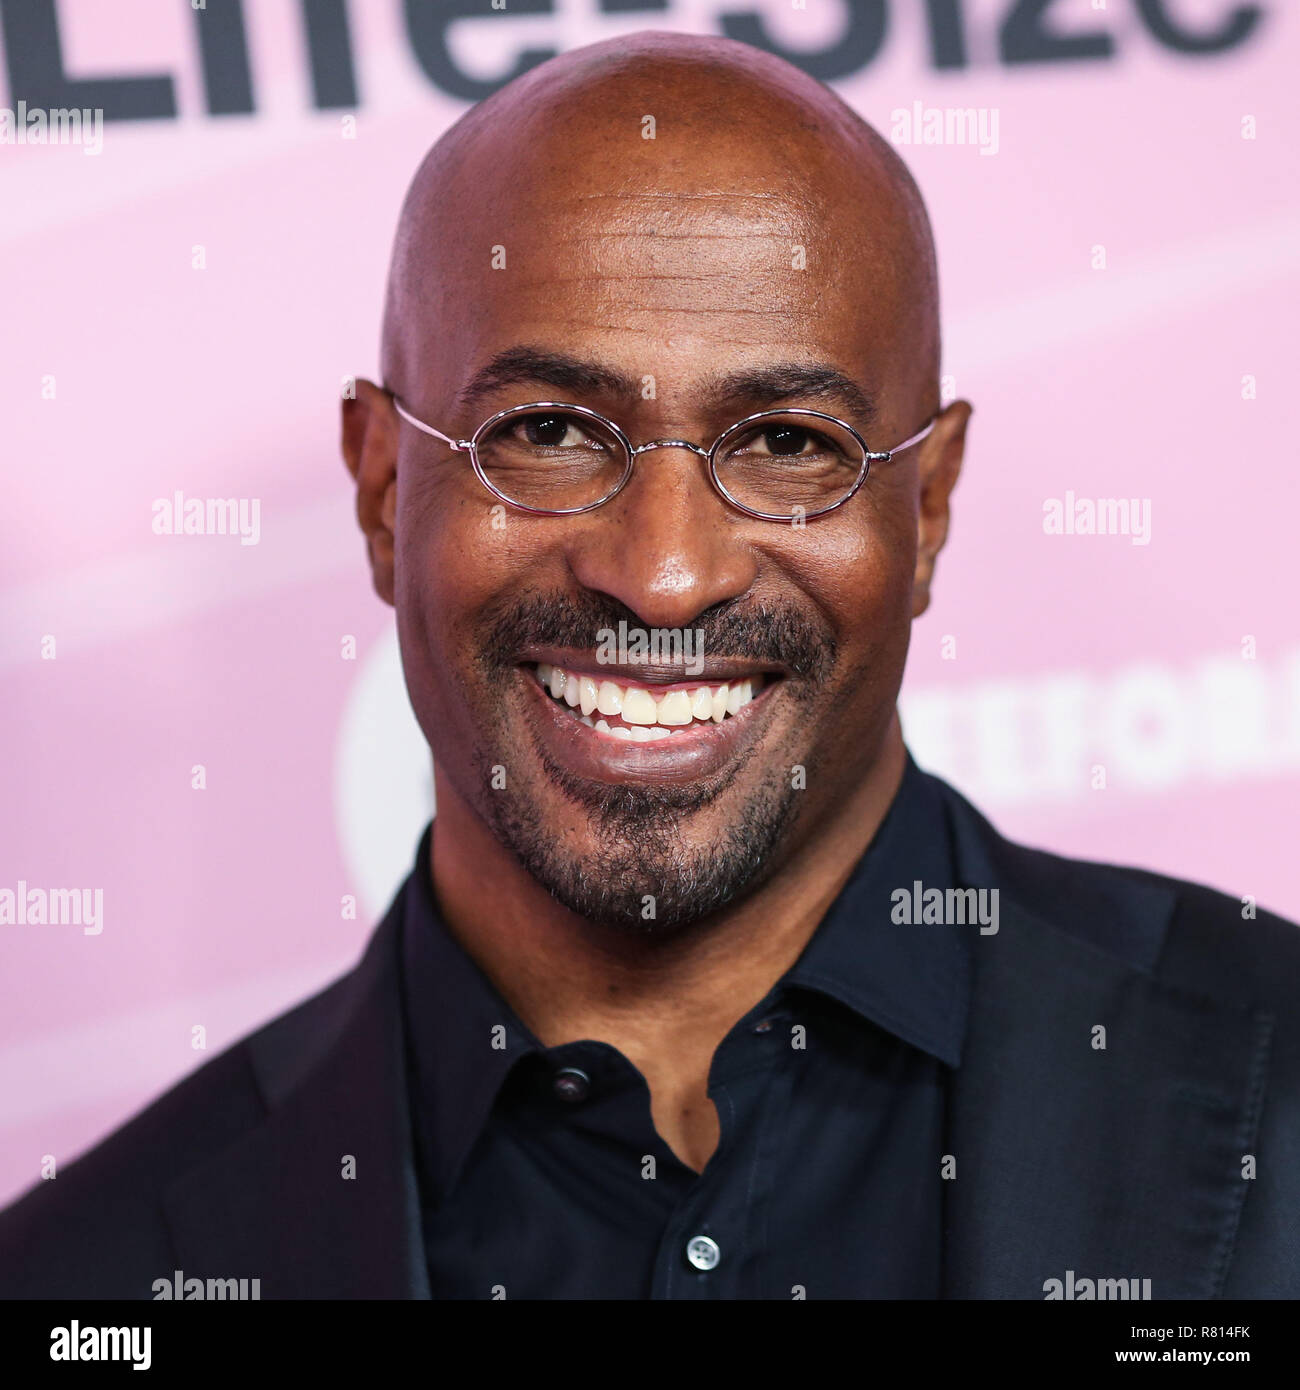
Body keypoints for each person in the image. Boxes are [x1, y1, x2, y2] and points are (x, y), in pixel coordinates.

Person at [2, 30, 1296, 1301]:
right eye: (551, 432)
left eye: (789, 443)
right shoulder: (85, 1279)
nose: (665, 575)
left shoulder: (1274, 1076)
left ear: (930, 508)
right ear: (385, 490)